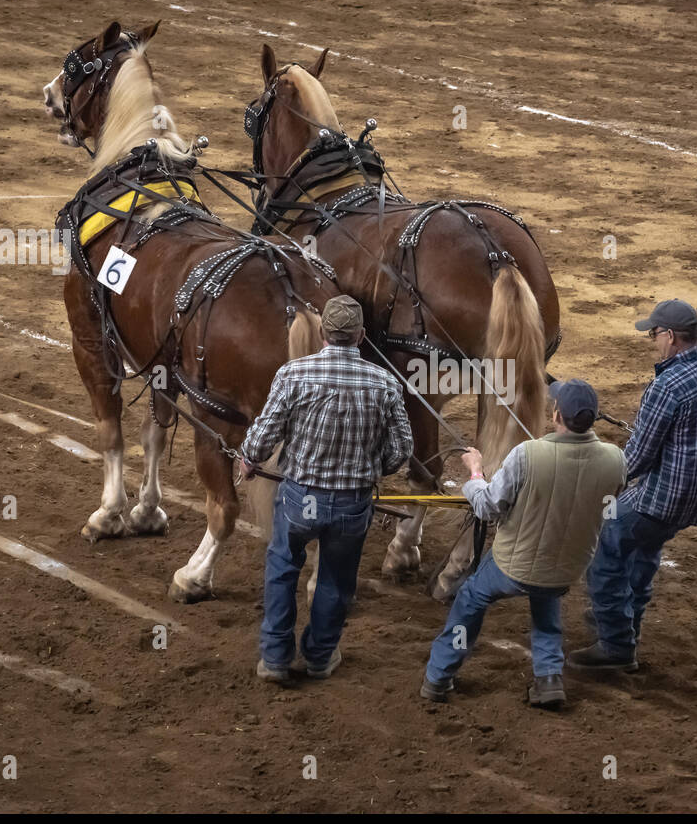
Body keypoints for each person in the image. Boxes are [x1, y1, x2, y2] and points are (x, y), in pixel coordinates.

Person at [420, 379, 626, 708]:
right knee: (545, 601)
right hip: (567, 567)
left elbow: (487, 506)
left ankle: (438, 677)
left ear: (557, 414)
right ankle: (548, 679)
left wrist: (475, 474)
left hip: (513, 565)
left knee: (471, 597)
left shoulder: (528, 454)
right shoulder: (616, 459)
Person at [240, 295, 413, 682]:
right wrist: (372, 469)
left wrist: (249, 459)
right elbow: (402, 449)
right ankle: (319, 657)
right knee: (336, 578)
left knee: (283, 568)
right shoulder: (385, 384)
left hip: (301, 497)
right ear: (361, 336)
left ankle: (274, 658)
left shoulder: (292, 375)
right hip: (352, 503)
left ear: (322, 334)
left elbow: (265, 434)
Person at [570, 299, 697, 671]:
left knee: (603, 544)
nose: (654, 341)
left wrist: (600, 483)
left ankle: (616, 645)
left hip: (667, 495)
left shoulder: (667, 385)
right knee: (643, 546)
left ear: (671, 337)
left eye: (655, 334)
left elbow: (637, 458)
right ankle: (626, 622)